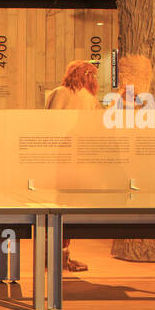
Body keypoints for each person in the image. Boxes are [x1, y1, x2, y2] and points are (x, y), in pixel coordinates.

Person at [46, 60, 100, 272]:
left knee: (65, 209)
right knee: (63, 208)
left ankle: (60, 257)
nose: (92, 79)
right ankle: (57, 257)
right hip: (66, 159)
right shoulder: (65, 94)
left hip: (74, 159)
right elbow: (52, 124)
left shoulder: (85, 97)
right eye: (89, 74)